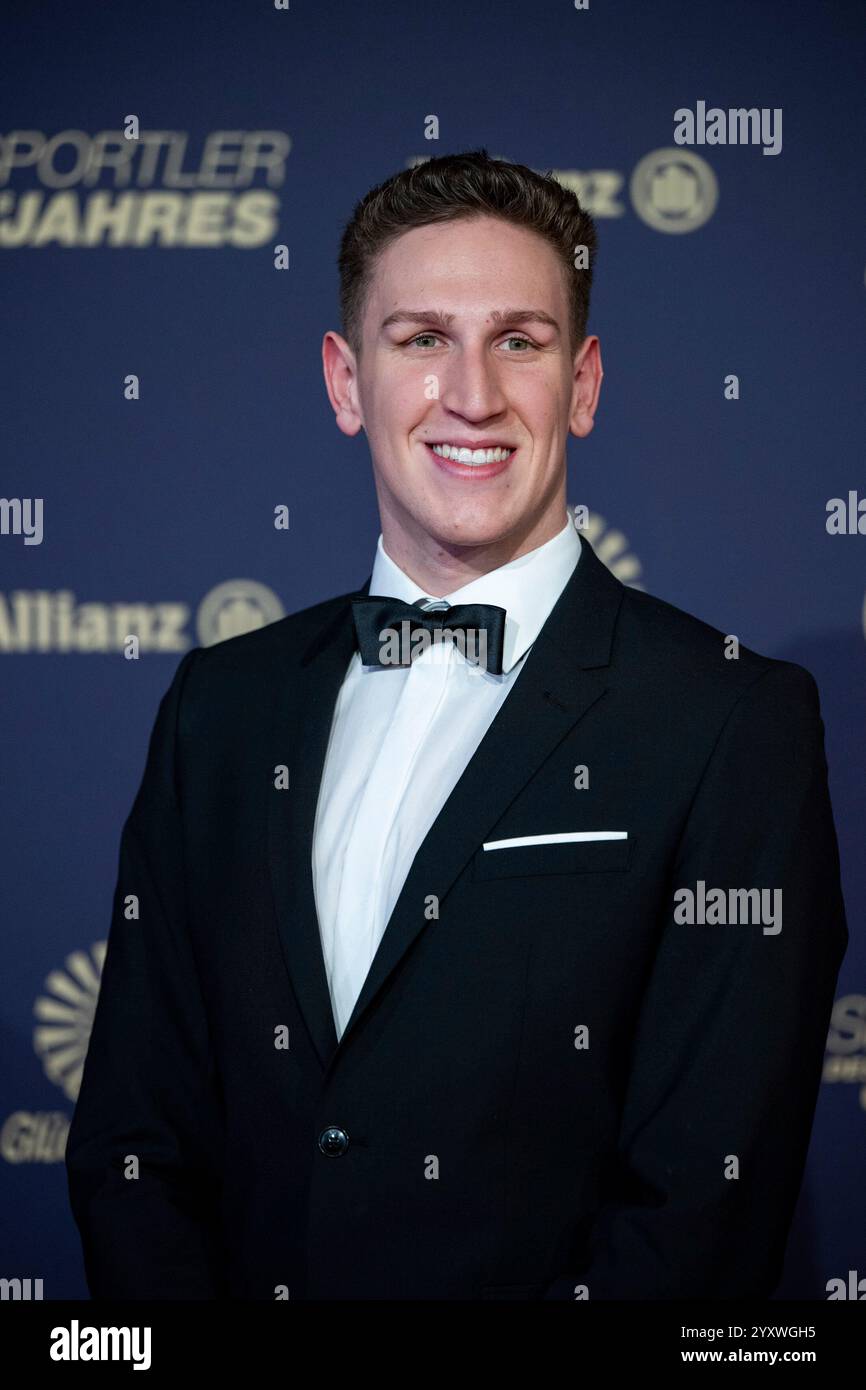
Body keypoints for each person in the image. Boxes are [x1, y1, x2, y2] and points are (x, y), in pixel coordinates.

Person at [66, 148, 848, 1300]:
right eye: (420, 339)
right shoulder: (218, 710)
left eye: (517, 342)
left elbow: (699, 1211)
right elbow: (137, 1144)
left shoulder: (729, 720)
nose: (471, 394)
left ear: (580, 383)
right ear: (345, 382)